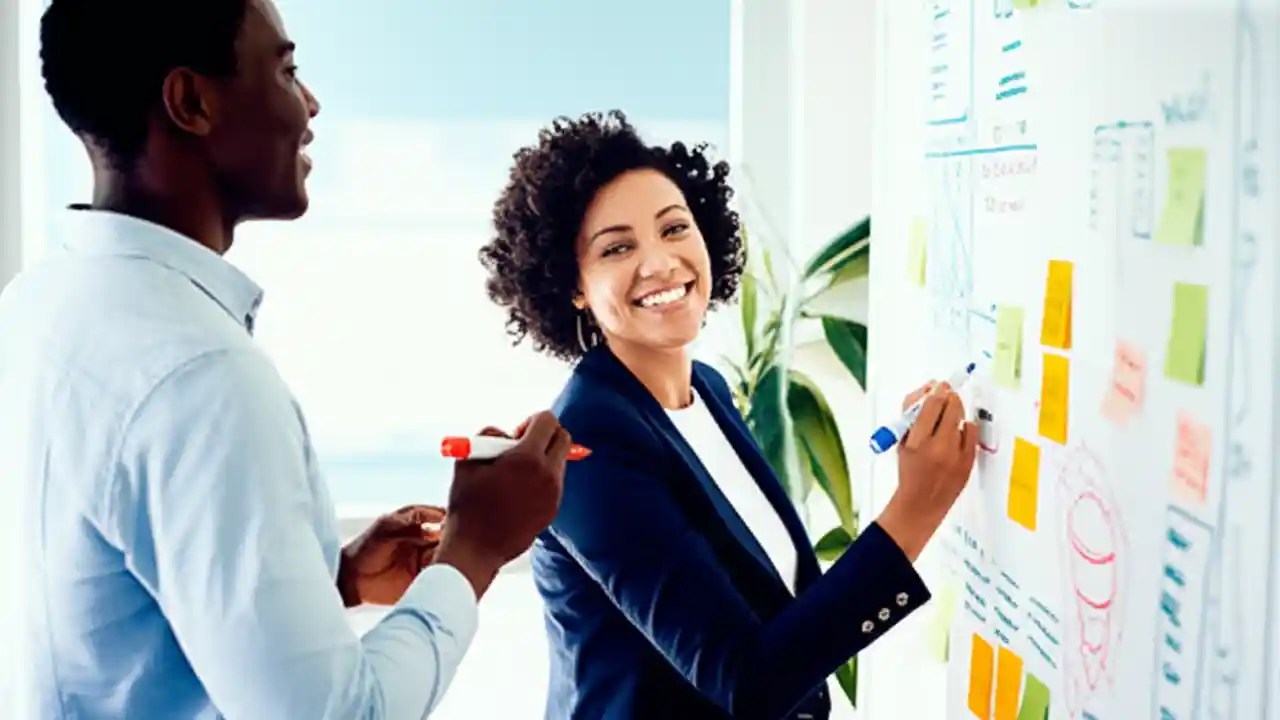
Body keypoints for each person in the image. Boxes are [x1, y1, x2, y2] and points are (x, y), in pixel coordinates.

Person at [0, 1, 572, 718]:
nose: (310, 103)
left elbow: (104, 615)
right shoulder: (201, 376)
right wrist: (476, 548)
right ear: (191, 103)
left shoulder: (34, 305)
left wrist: (334, 582)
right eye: (286, 69)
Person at [479, 110, 978, 720]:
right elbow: (743, 679)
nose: (660, 262)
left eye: (674, 228)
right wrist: (916, 508)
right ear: (574, 285)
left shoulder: (707, 390)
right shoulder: (590, 444)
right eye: (617, 247)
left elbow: (780, 608)